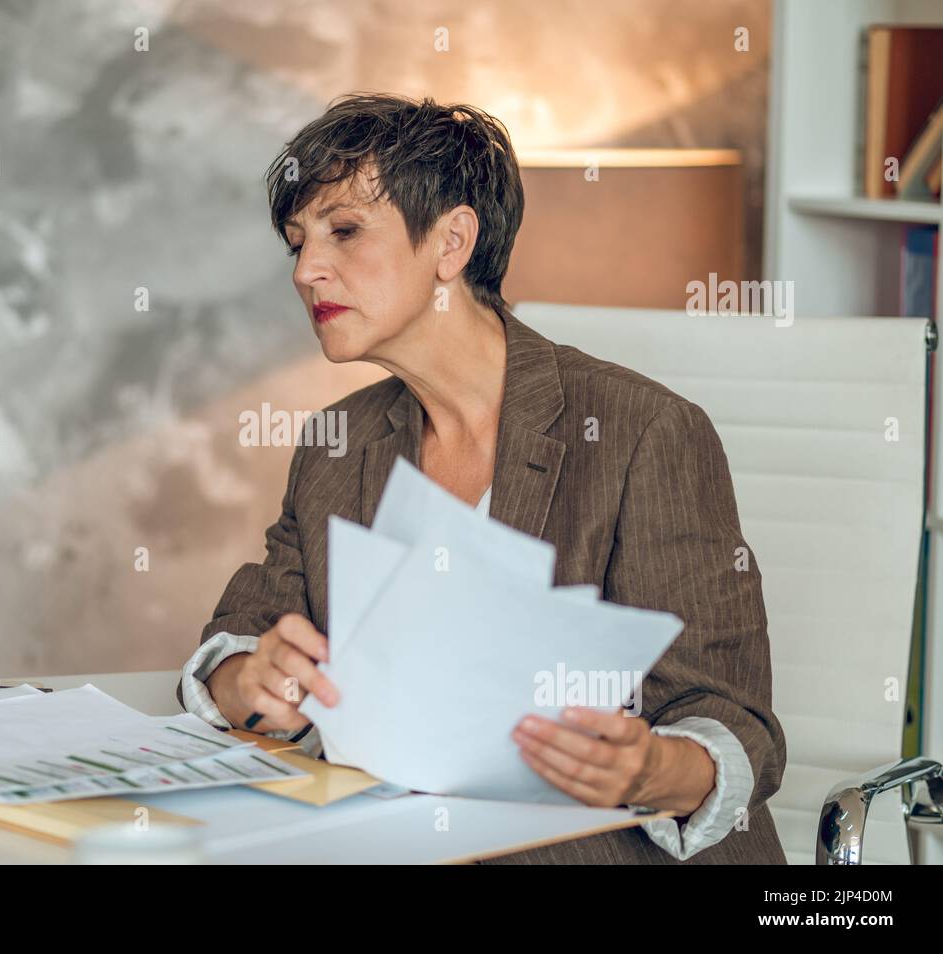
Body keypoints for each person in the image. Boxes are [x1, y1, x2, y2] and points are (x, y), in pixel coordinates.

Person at [175, 93, 786, 864]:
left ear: (452, 241)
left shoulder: (643, 432)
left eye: (345, 232)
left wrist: (650, 765)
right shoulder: (338, 442)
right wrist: (245, 680)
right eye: (297, 243)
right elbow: (248, 632)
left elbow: (732, 723)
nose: (306, 271)